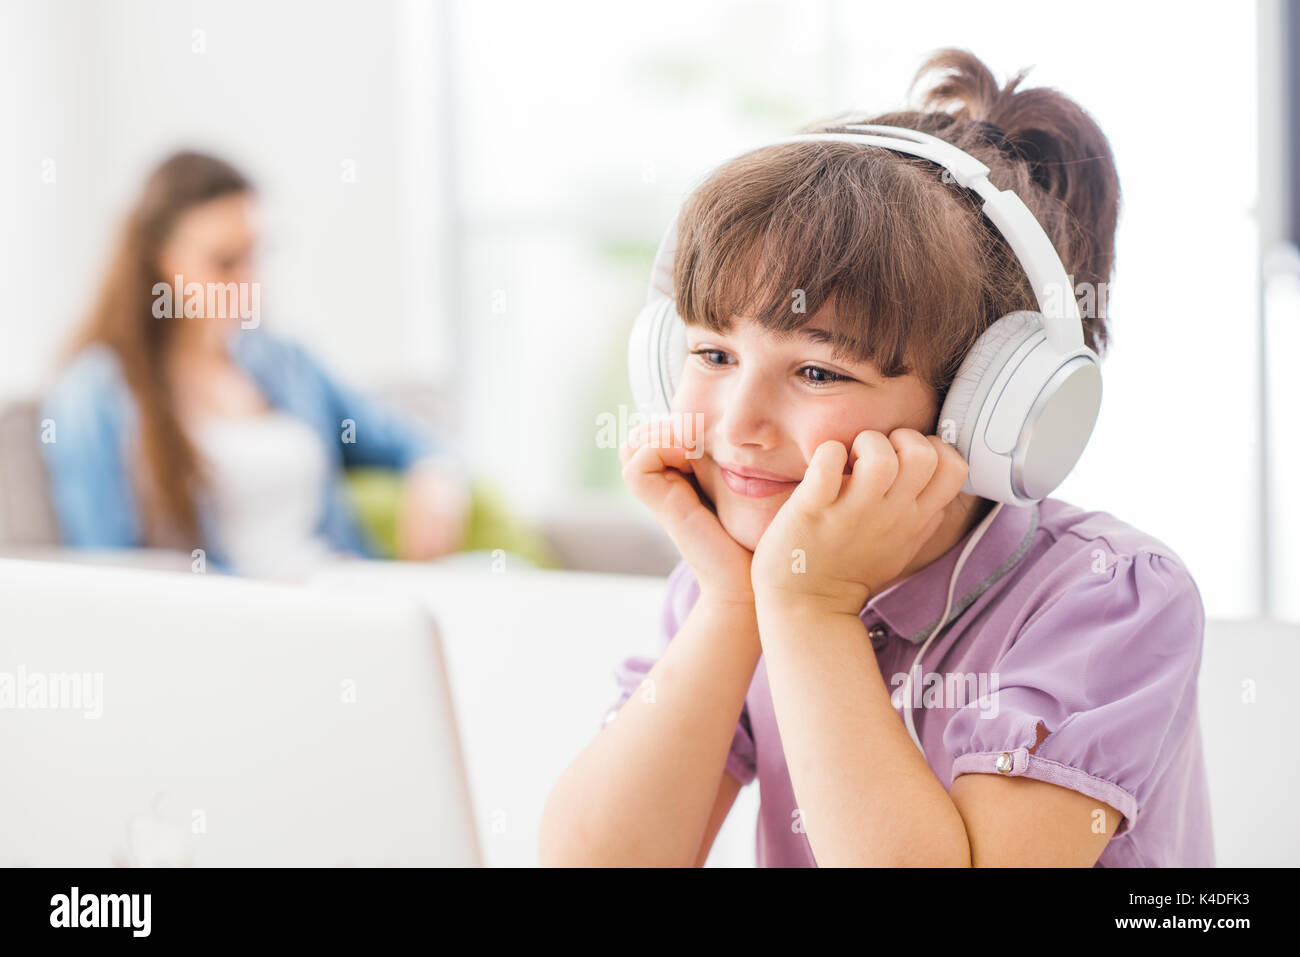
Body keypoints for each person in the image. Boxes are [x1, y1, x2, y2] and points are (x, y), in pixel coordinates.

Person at [540, 48, 1214, 867]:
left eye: (818, 371)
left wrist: (813, 612)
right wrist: (731, 604)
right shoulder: (746, 578)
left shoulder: (1109, 600)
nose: (740, 425)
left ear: (980, 404)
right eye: (712, 354)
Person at [40, 151, 470, 579]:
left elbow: (414, 444)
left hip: (350, 594)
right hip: (243, 627)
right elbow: (110, 574)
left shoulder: (286, 363)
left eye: (255, 255)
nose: (250, 282)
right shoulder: (93, 394)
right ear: (161, 260)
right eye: (225, 262)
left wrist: (436, 479)